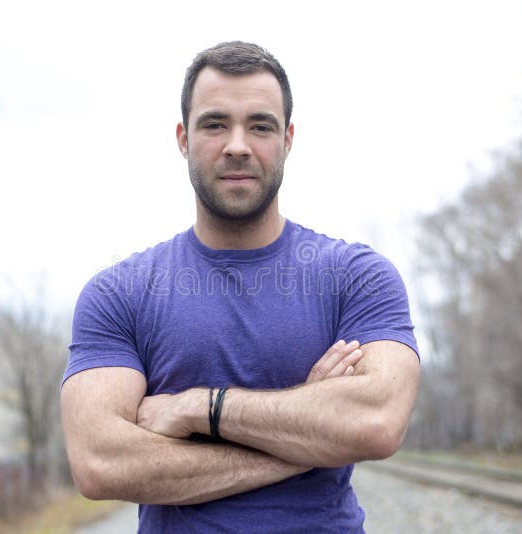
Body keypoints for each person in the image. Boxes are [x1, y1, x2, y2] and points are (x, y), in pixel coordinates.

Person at [60, 41, 420, 533]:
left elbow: (375, 423)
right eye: (214, 124)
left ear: (288, 139)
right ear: (183, 138)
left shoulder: (355, 276)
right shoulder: (119, 293)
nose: (237, 144)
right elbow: (101, 463)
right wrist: (307, 441)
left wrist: (199, 408)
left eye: (260, 125)